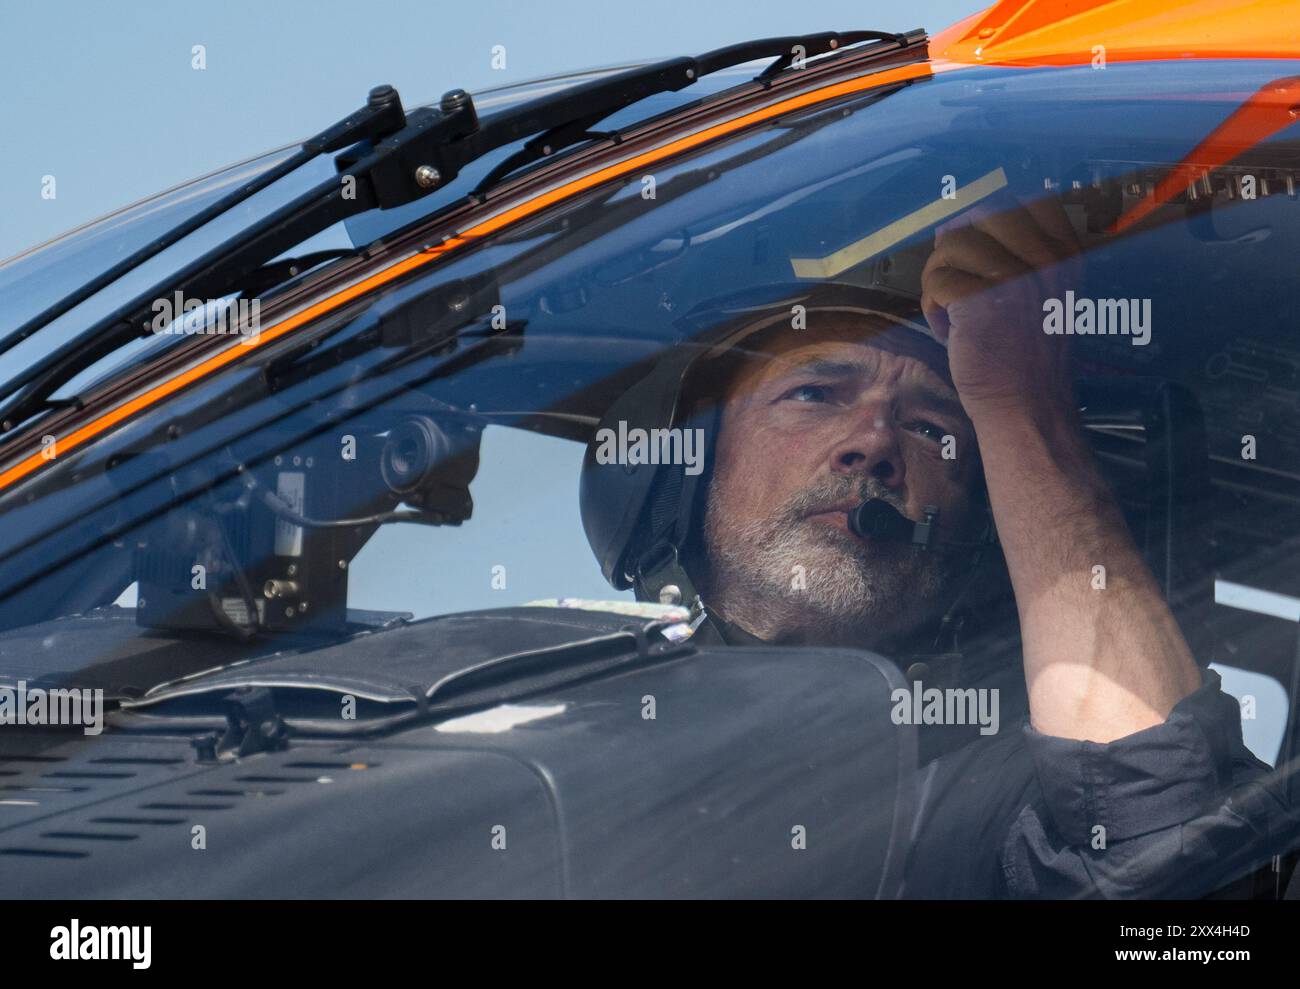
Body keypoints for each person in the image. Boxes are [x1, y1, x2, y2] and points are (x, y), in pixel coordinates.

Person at [581, 193, 1299, 896]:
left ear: (973, 530)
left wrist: (1020, 402)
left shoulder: (1008, 794)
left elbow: (1176, 884)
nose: (872, 443)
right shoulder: (569, 743)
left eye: (932, 428)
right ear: (686, 466)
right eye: (815, 394)